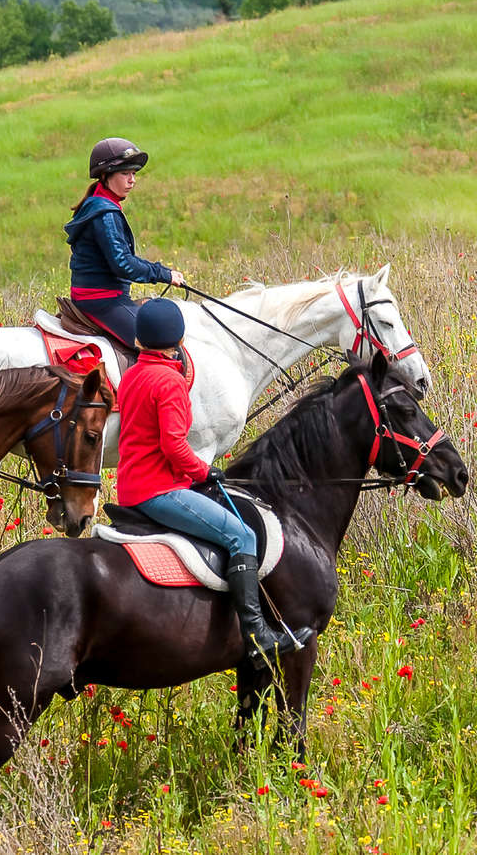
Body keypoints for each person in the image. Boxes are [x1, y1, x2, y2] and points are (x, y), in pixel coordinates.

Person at [115, 298, 311, 661]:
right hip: (160, 491)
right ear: (178, 340)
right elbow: (173, 446)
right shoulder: (168, 382)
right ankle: (257, 636)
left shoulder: (132, 376)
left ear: (140, 341)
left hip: (130, 486)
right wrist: (204, 471)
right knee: (242, 535)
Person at [63, 137, 186, 348]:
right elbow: (123, 264)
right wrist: (164, 274)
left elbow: (125, 259)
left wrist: (162, 272)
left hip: (98, 297)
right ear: (105, 176)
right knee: (158, 342)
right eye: (125, 173)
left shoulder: (99, 204)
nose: (132, 180)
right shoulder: (105, 213)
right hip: (102, 300)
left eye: (134, 174)